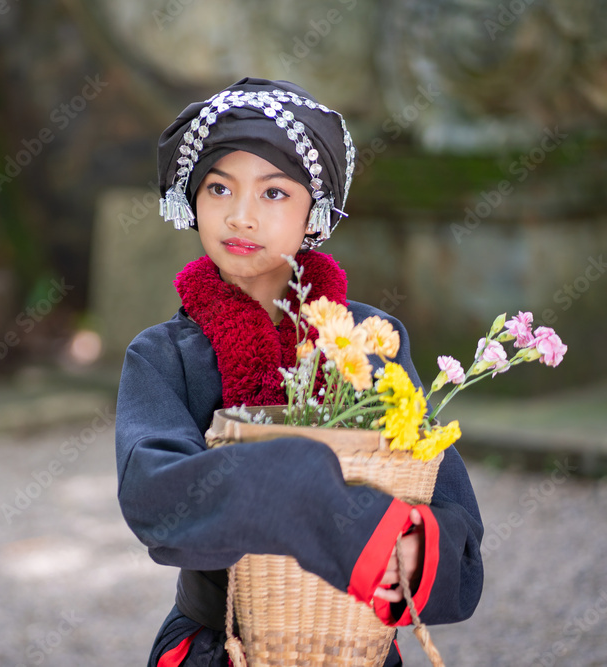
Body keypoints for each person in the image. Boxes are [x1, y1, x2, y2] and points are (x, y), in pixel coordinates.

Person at [114, 77, 484, 667]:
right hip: (217, 647)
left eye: (275, 193)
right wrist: (304, 484)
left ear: (316, 211)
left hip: (358, 648)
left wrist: (397, 553)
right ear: (192, 202)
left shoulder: (369, 344)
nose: (240, 216)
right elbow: (156, 501)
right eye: (218, 187)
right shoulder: (162, 356)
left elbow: (459, 543)